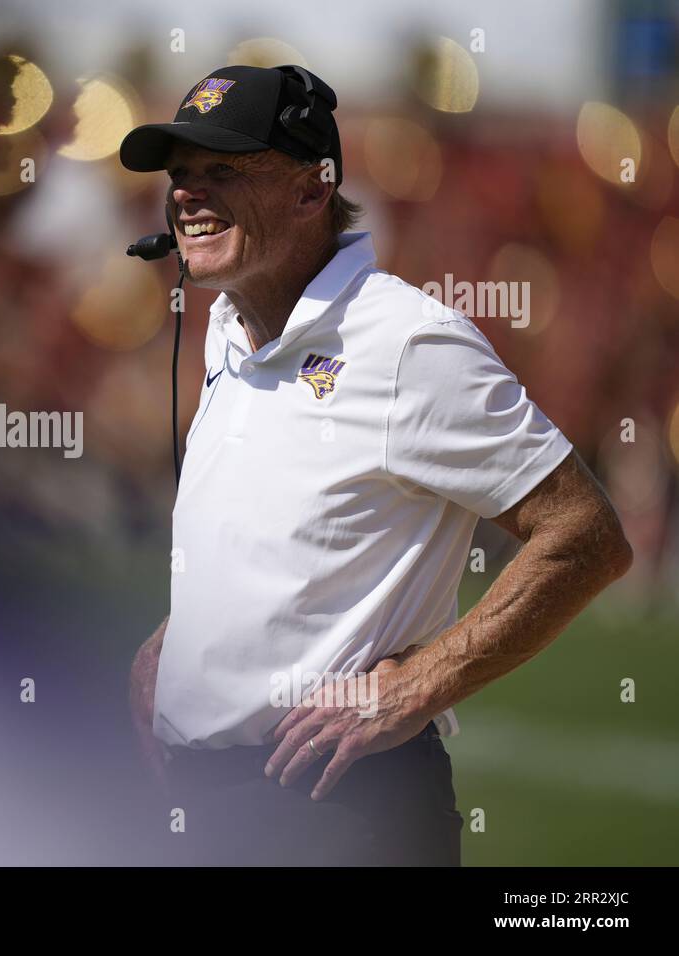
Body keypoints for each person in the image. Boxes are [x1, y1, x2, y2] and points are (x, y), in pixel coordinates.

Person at [121, 65, 633, 865]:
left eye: (223, 170)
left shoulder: (406, 344)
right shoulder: (228, 326)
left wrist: (417, 686)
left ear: (310, 189)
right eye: (180, 174)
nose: (186, 193)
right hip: (204, 811)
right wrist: (178, 646)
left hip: (336, 815)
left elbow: (586, 535)